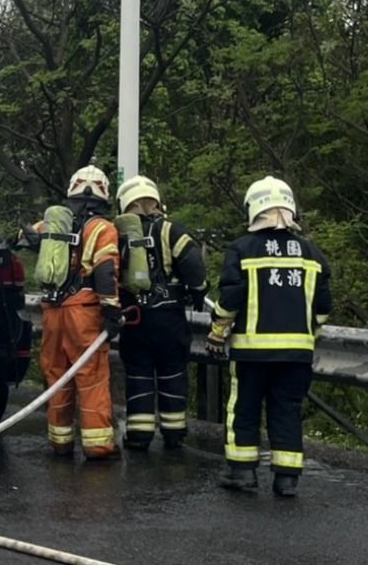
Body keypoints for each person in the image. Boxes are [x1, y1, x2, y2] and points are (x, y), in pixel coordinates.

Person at [208, 176, 332, 497]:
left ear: (254, 209)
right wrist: (308, 335)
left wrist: (217, 334)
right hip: (297, 355)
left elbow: (230, 301)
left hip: (252, 354)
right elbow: (323, 308)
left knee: (245, 409)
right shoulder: (312, 255)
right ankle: (287, 478)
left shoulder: (242, 249)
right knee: (287, 411)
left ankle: (242, 473)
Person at [24, 165, 123, 460]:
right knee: (90, 376)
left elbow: (23, 236)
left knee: (57, 375)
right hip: (84, 311)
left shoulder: (51, 224)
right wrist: (112, 309)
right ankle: (98, 446)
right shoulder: (102, 228)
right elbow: (106, 270)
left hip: (53, 312)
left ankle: (61, 442)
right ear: (104, 194)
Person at [115, 175, 208, 451]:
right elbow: (193, 264)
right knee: (172, 373)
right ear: (155, 200)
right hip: (169, 319)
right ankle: (174, 433)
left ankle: (139, 436)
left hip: (134, 319)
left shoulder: (118, 234)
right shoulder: (170, 230)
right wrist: (199, 291)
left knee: (138, 375)